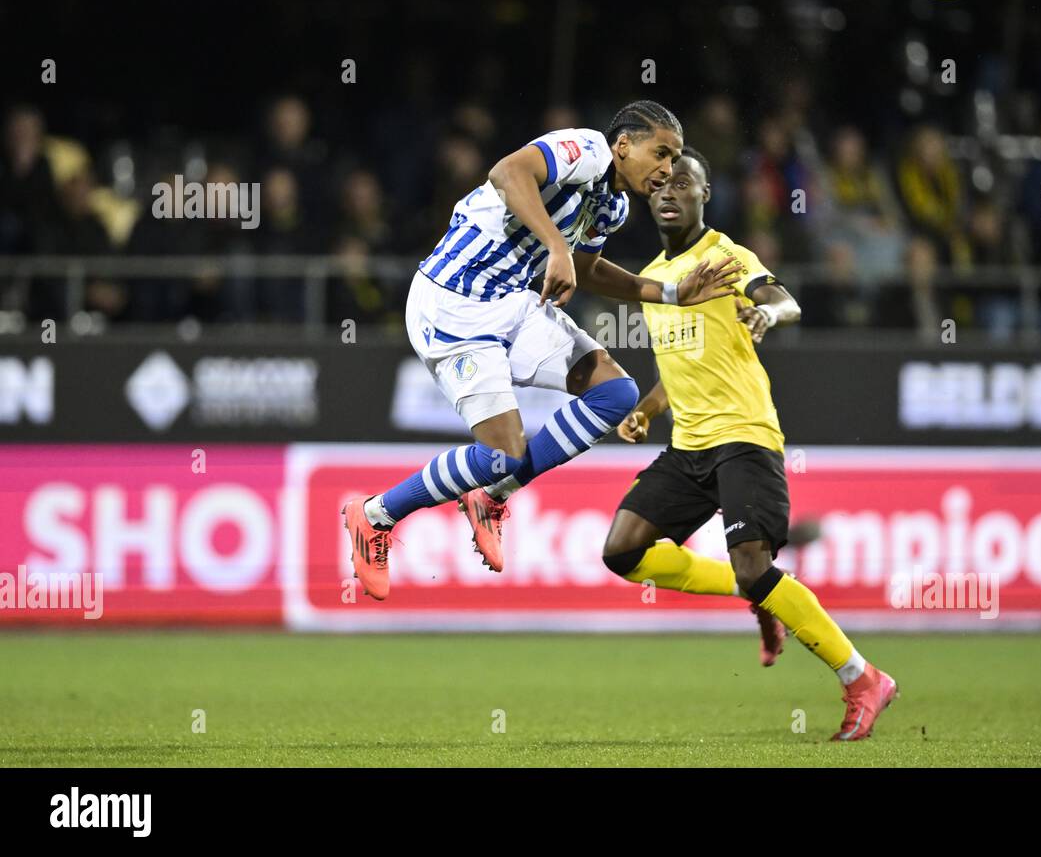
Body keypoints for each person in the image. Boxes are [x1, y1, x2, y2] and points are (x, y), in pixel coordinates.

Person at [341, 101, 741, 600]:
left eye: (675, 157)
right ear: (623, 146)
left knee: (616, 394)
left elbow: (588, 269)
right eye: (660, 152)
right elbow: (509, 171)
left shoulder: (612, 206)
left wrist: (671, 292)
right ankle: (374, 515)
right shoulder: (589, 150)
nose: (668, 168)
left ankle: (492, 497)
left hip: (513, 303)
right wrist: (555, 246)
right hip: (454, 302)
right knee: (500, 453)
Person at [603, 147, 898, 742]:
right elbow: (681, 362)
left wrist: (771, 316)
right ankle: (754, 592)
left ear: (704, 194)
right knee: (623, 552)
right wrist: (646, 409)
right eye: (659, 182)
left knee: (756, 565)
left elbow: (782, 296)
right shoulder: (653, 282)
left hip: (744, 436)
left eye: (683, 182)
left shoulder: (726, 256)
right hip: (688, 447)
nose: (668, 190)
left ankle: (862, 677)